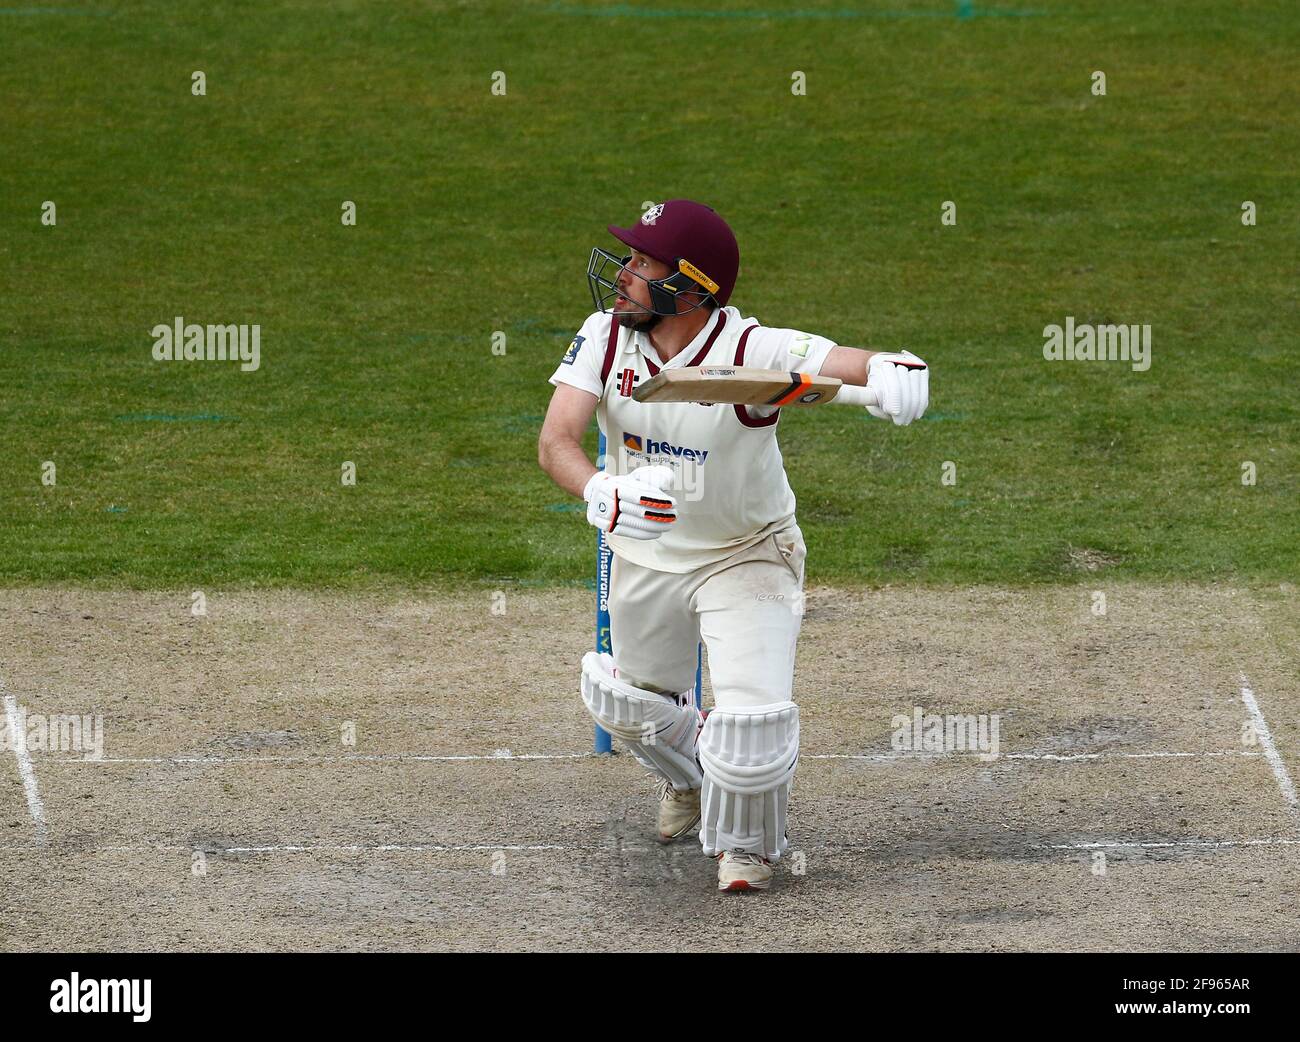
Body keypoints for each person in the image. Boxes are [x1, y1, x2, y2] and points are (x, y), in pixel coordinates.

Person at [537, 200, 929, 892]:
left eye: (641, 263)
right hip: (647, 550)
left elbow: (842, 362)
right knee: (627, 706)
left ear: (688, 286)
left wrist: (896, 371)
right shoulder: (603, 335)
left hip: (746, 554)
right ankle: (688, 778)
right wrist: (602, 492)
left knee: (750, 729)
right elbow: (556, 441)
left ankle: (745, 846)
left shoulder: (751, 350)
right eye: (628, 258)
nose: (624, 273)